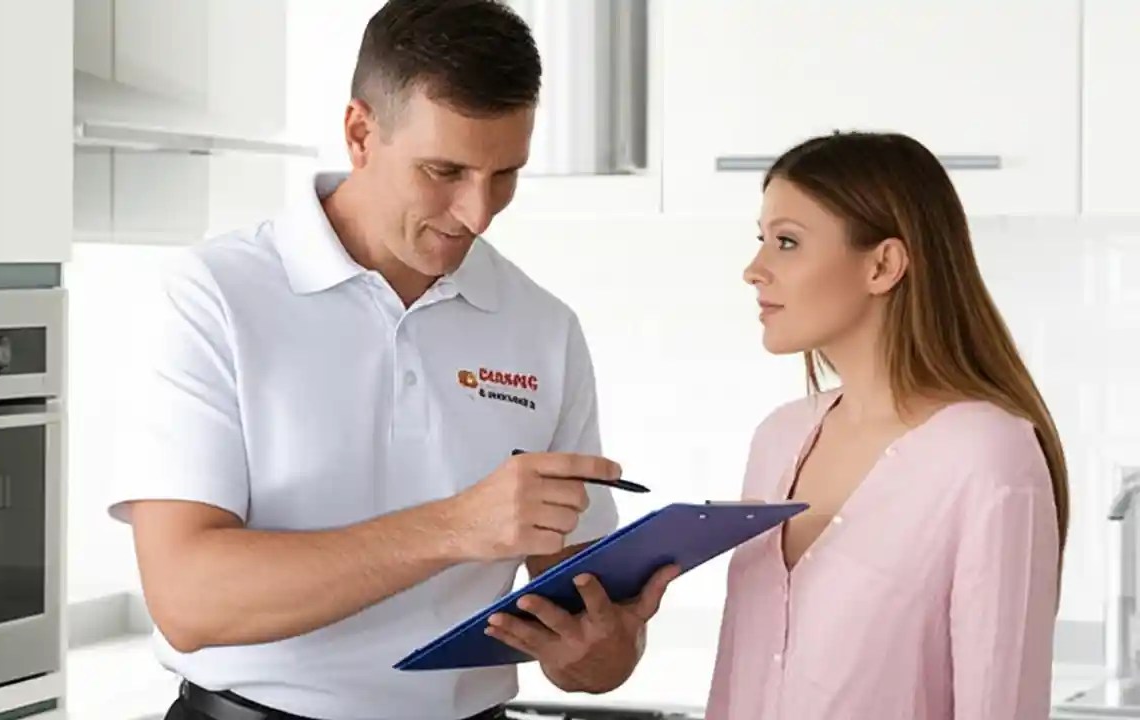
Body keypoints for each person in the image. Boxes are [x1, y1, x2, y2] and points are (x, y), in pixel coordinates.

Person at [106, 2, 678, 719]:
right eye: (445, 170)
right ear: (359, 132)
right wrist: (455, 526)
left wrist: (601, 650)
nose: (477, 211)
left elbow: (589, 645)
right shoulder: (214, 296)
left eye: (506, 173)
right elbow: (189, 601)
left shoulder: (543, 327)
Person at [705, 131, 1068, 719]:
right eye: (762, 240)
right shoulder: (778, 439)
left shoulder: (987, 456)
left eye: (787, 242)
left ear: (883, 264)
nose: (754, 270)